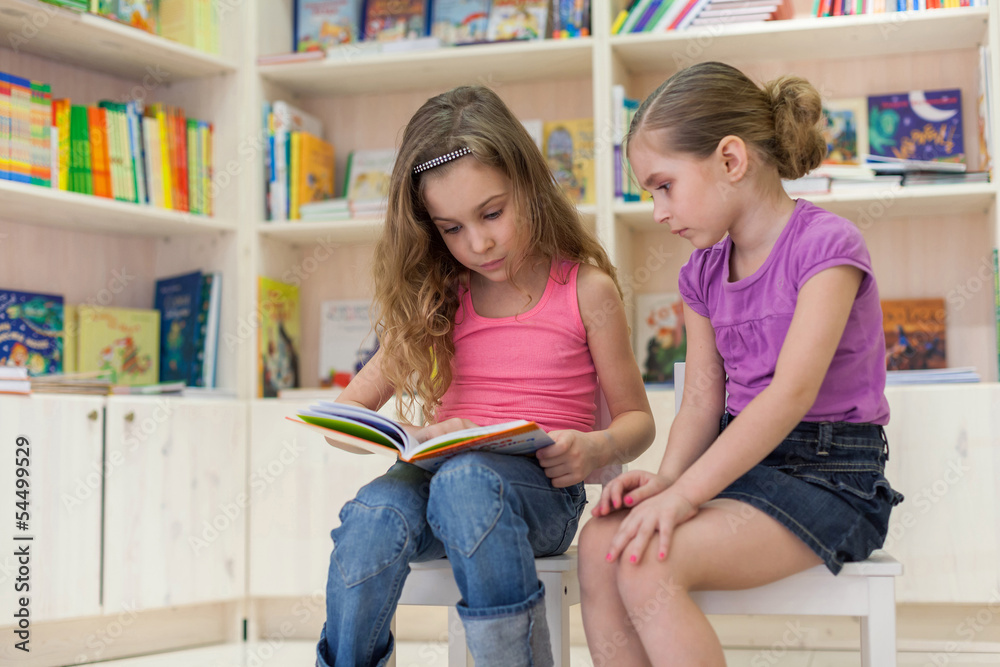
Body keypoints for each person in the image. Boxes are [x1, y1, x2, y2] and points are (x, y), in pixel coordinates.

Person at [316, 85, 656, 667]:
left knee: (468, 483)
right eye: (451, 228)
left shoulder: (585, 290)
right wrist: (399, 435)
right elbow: (345, 416)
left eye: (492, 213)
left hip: (539, 495)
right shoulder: (437, 299)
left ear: (529, 183)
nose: (478, 243)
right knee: (373, 515)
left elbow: (638, 422)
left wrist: (595, 446)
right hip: (438, 480)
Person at [578, 61, 905, 666]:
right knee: (600, 542)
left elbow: (790, 395)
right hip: (740, 469)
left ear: (730, 160)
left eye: (664, 185)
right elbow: (703, 400)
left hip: (833, 478)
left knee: (647, 559)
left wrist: (684, 496)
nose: (657, 210)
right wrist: (668, 480)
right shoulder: (700, 272)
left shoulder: (826, 246)